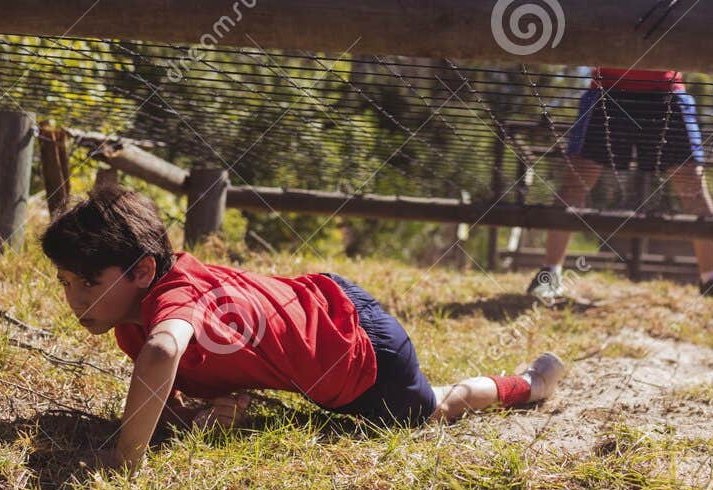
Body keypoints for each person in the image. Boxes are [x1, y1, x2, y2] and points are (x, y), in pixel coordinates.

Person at [43, 185, 567, 473]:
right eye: (65, 282)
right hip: (327, 302)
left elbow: (163, 351)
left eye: (88, 282)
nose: (75, 298)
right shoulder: (134, 316)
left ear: (140, 272)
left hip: (362, 354)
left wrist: (123, 456)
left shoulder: (170, 304)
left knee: (436, 408)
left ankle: (531, 384)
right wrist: (203, 414)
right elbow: (202, 361)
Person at [529, 0, 713, 304]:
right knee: (574, 181)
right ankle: (549, 275)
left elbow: (688, 35)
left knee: (693, 185)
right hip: (608, 91)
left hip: (665, 93)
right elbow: (586, 31)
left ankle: (711, 278)